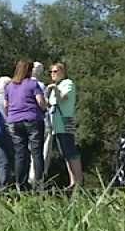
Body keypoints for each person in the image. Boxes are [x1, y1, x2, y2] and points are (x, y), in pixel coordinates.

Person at [4, 59, 47, 190]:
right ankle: (39, 184)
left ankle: (21, 185)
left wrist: (10, 116)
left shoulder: (9, 86)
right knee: (36, 152)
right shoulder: (33, 84)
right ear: (29, 70)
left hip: (14, 121)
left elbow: (5, 106)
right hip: (32, 119)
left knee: (20, 153)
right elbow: (41, 102)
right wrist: (45, 108)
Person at [45, 62, 82, 192]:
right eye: (51, 72)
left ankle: (78, 180)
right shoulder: (56, 86)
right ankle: (72, 181)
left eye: (55, 71)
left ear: (63, 72)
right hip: (56, 123)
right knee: (65, 153)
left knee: (71, 150)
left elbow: (63, 98)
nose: (53, 74)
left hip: (66, 120)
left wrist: (54, 89)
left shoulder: (68, 84)